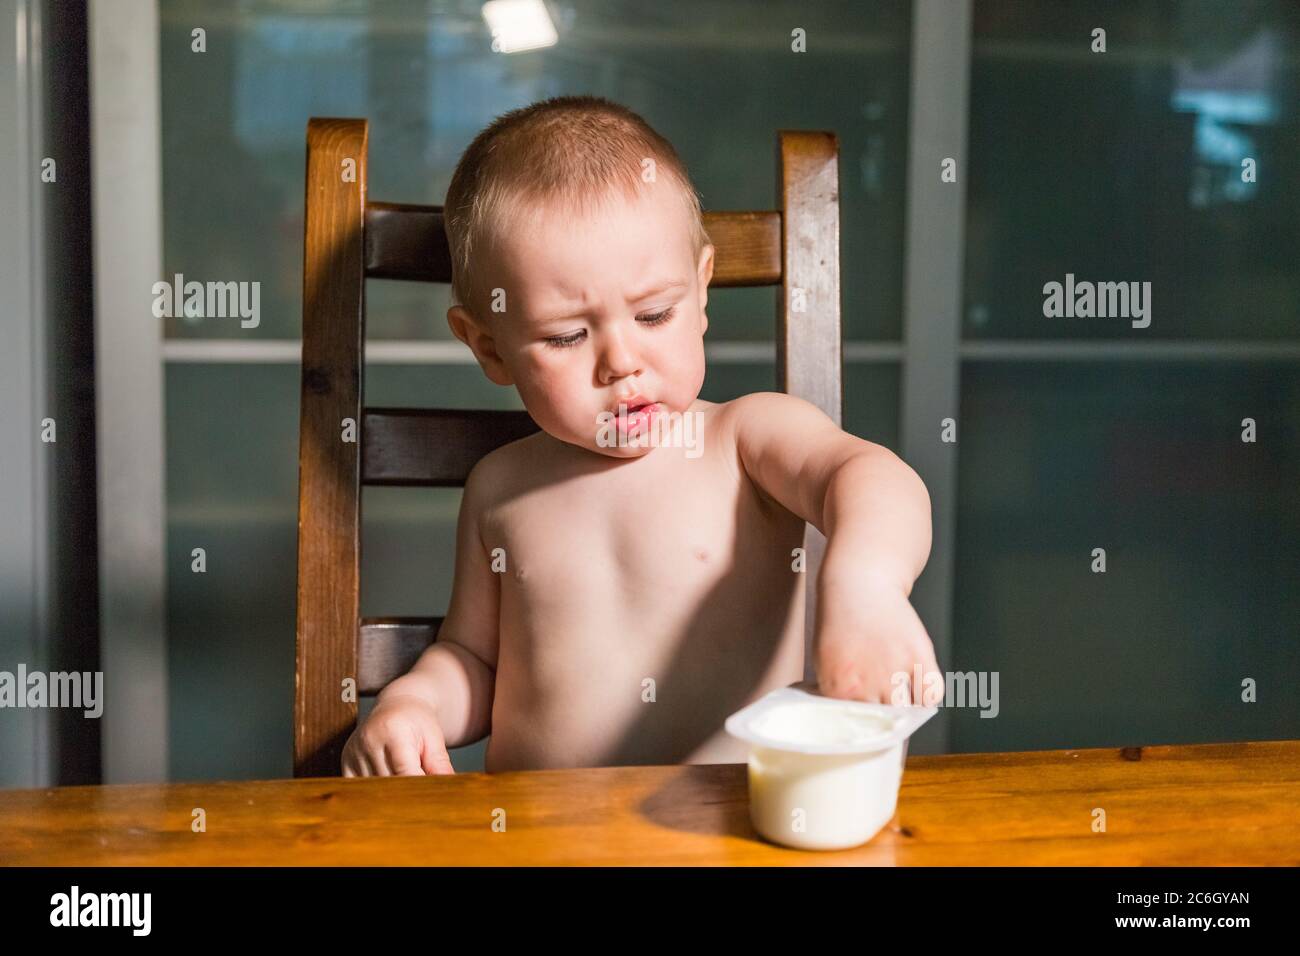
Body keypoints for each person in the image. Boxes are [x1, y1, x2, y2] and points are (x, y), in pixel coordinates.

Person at [342, 95, 937, 775]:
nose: (621, 361)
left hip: (731, 836)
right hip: (536, 839)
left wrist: (865, 583)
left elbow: (872, 477)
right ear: (490, 348)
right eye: (567, 335)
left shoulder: (743, 440)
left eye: (654, 314)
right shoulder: (500, 487)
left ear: (701, 292)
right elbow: (476, 661)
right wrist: (415, 704)